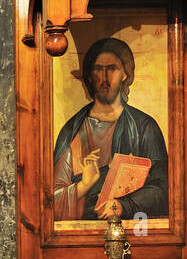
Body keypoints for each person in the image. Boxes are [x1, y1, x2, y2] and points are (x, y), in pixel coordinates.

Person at [52, 38, 168, 221]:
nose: (104, 78)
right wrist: (84, 184)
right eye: (98, 69)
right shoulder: (72, 131)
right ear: (89, 76)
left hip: (133, 232)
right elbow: (51, 200)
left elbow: (163, 190)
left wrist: (125, 205)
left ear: (124, 74)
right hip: (79, 237)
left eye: (112, 68)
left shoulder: (144, 127)